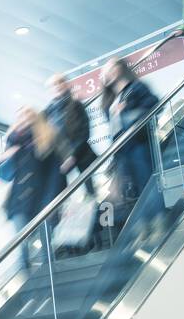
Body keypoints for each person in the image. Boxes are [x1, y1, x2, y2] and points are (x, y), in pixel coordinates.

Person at [0, 107, 63, 264]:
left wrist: (52, 202)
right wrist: (5, 159)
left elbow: (56, 174)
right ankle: (24, 283)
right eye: (20, 116)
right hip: (18, 202)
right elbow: (4, 176)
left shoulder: (46, 141)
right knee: (21, 247)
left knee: (46, 247)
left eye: (28, 115)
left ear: (36, 119)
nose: (24, 118)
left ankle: (50, 279)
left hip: (43, 200)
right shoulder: (14, 143)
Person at [101, 57, 161, 225]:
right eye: (106, 71)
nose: (109, 72)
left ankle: (158, 220)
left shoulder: (136, 87)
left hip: (138, 144)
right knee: (131, 189)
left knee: (147, 182)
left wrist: (125, 112)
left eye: (112, 67)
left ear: (121, 68)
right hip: (121, 149)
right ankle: (141, 224)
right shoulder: (111, 99)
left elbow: (154, 106)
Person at [43, 74, 97, 192]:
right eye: (53, 85)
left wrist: (72, 155)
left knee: (90, 189)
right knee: (58, 192)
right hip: (58, 159)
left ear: (66, 85)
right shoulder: (46, 112)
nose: (57, 86)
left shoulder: (76, 105)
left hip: (80, 154)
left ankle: (96, 208)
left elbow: (84, 132)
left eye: (60, 82)